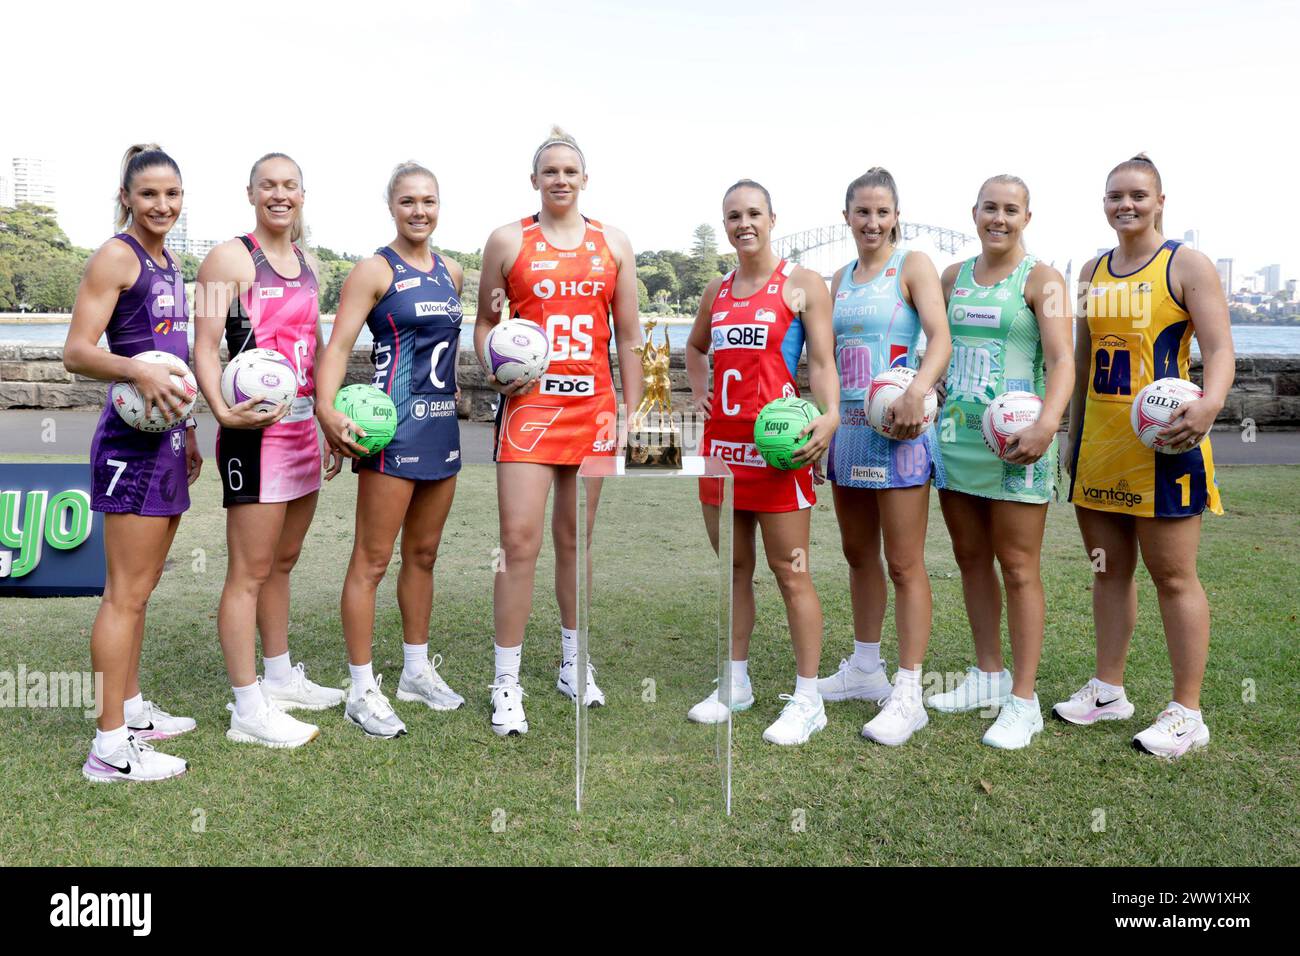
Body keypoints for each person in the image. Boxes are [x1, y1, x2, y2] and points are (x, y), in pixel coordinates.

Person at [1058, 154, 1232, 758]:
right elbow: (1079, 365)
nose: (1124, 205)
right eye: (1113, 196)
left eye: (1137, 195)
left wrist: (1208, 406)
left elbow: (1220, 352)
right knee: (1108, 570)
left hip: (1166, 447)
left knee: (1174, 577)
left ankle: (1188, 711)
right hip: (1101, 448)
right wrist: (1071, 440)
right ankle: (1108, 690)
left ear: (1161, 201)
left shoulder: (1187, 264)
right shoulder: (1090, 269)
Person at [474, 127, 643, 736]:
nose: (561, 180)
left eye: (570, 171)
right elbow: (487, 325)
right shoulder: (507, 240)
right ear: (535, 180)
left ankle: (574, 663)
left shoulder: (613, 243)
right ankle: (506, 681)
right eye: (550, 171)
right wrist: (497, 373)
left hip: (593, 410)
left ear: (585, 179)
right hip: (529, 412)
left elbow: (627, 336)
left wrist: (632, 408)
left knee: (577, 541)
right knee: (518, 542)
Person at [194, 152, 345, 749]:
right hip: (254, 435)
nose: (279, 195)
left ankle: (280, 678)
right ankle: (247, 708)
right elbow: (204, 345)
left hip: (304, 428)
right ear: (251, 193)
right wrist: (221, 411)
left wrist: (329, 420)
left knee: (283, 562)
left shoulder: (308, 262)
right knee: (248, 572)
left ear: (303, 195)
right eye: (268, 186)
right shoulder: (229, 258)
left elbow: (318, 344)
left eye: (290, 186)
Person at [685, 179, 840, 746]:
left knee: (791, 572)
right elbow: (696, 348)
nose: (743, 223)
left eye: (753, 213)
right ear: (723, 224)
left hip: (778, 453)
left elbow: (821, 363)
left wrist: (829, 416)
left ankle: (807, 699)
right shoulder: (715, 291)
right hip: (720, 453)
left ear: (773, 218)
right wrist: (699, 390)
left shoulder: (801, 285)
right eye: (732, 215)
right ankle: (736, 684)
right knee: (734, 571)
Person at [65, 144, 200, 782]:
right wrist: (135, 368)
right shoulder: (118, 255)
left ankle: (134, 711)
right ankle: (109, 747)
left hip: (168, 442)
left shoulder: (170, 260)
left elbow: (173, 356)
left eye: (172, 194)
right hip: (129, 447)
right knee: (122, 595)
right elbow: (76, 351)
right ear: (126, 197)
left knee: (141, 592)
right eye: (149, 194)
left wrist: (191, 428)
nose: (162, 205)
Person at [316, 161, 466, 738]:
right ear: (391, 206)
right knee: (372, 561)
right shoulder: (374, 270)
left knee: (423, 556)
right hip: (392, 433)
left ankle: (416, 672)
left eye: (428, 201)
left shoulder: (452, 271)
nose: (419, 211)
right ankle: (361, 689)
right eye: (408, 201)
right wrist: (327, 411)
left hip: (442, 431)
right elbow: (337, 346)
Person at [929, 174, 1073, 749]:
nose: (1000, 218)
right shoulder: (950, 277)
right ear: (974, 212)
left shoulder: (1045, 280)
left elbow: (1062, 360)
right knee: (970, 558)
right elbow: (935, 348)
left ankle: (1023, 700)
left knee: (1018, 567)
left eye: (1011, 210)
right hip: (958, 438)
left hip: (1018, 443)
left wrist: (1047, 426)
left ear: (1027, 218)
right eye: (990, 208)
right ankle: (987, 676)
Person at [812, 168, 953, 747]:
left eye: (882, 212)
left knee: (903, 561)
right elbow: (821, 359)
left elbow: (940, 339)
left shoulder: (912, 266)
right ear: (846, 217)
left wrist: (918, 392)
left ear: (897, 216)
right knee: (857, 554)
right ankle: (865, 670)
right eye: (862, 212)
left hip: (899, 429)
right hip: (849, 431)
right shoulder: (834, 280)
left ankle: (909, 692)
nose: (872, 222)